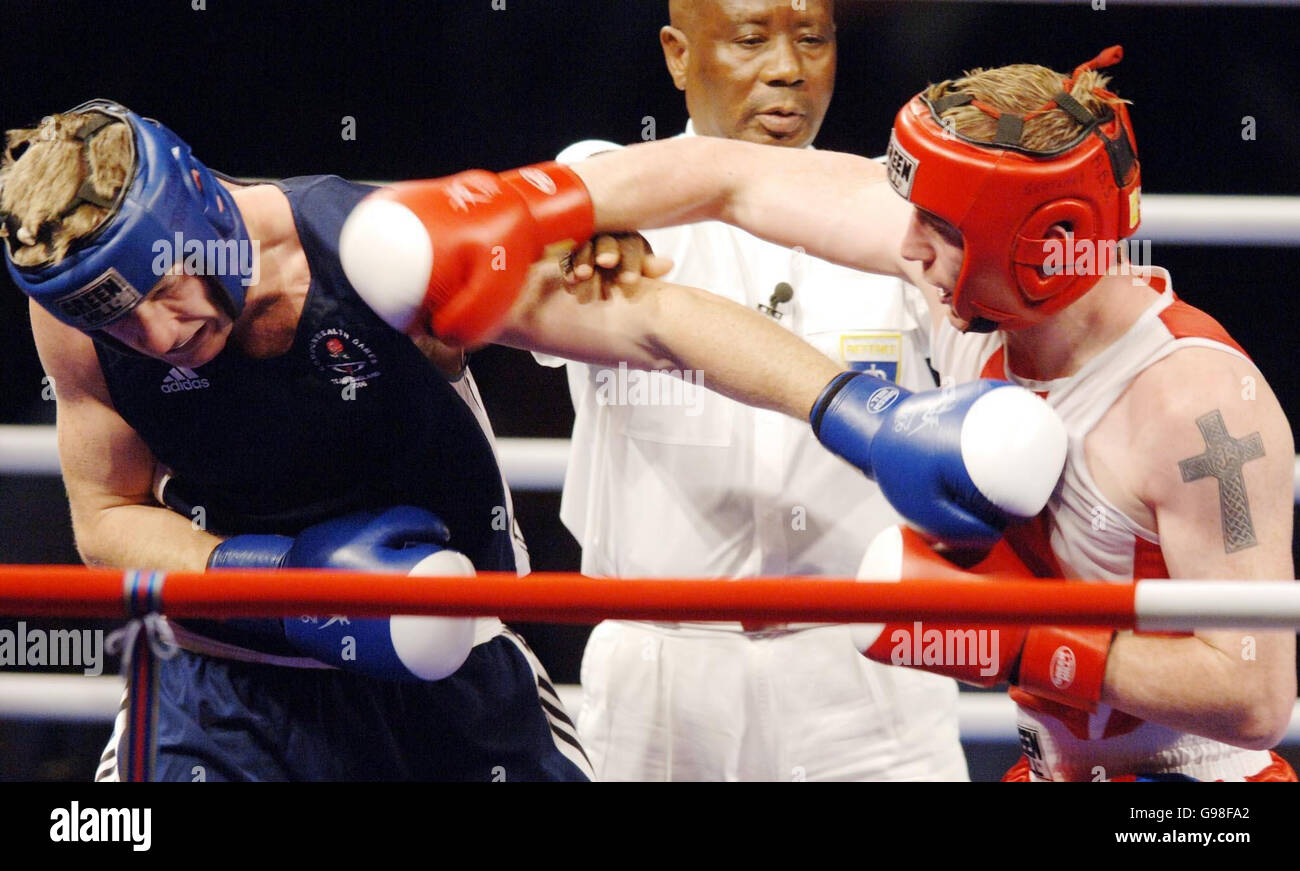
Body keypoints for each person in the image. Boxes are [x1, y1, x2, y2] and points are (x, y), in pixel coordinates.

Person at [2, 100, 1062, 779]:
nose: (153, 334)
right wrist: (287, 583)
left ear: (197, 201)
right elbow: (106, 521)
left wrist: (856, 412)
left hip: (445, 661)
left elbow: (650, 317)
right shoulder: (80, 315)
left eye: (156, 290)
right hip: (227, 676)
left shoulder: (381, 255)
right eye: (114, 318)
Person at [564, 45, 1298, 781]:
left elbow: (1256, 694)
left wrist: (1023, 642)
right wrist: (528, 209)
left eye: (938, 227)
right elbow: (728, 176)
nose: (907, 249)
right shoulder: (972, 305)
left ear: (1042, 243)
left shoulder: (1197, 409)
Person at [537, 0, 966, 782]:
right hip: (662, 668)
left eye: (812, 39)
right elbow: (504, 270)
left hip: (864, 673)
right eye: (750, 39)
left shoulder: (902, 215)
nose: (787, 68)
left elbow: (988, 370)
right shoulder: (599, 203)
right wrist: (585, 208)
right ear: (676, 55)